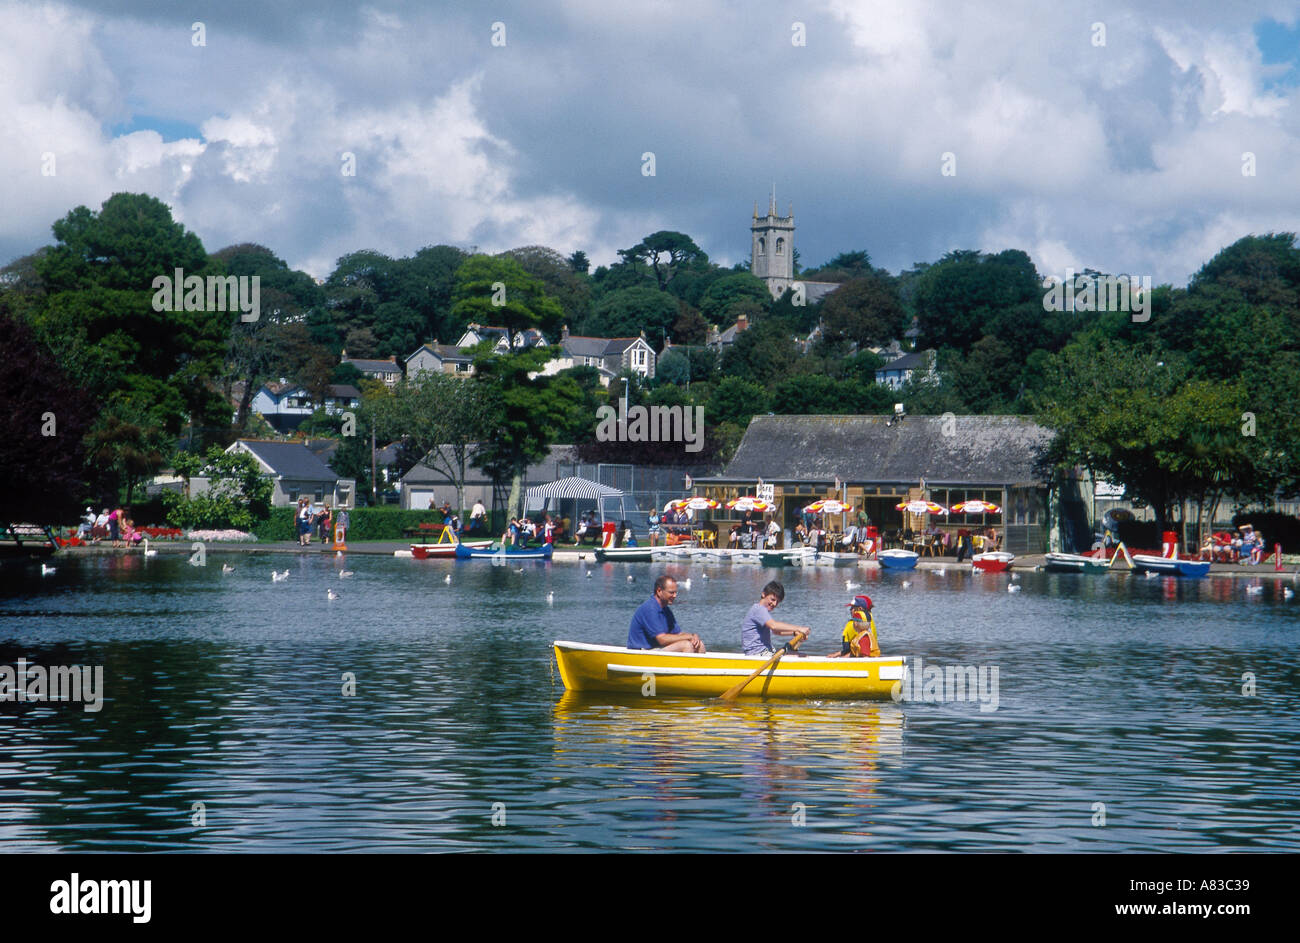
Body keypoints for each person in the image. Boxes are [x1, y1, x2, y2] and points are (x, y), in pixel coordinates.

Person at [627, 575, 705, 652]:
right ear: (659, 591)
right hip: (642, 652)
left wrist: (693, 636)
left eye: (675, 593)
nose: (674, 596)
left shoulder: (666, 610)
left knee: (699, 644)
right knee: (686, 645)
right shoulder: (650, 609)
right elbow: (662, 639)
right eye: (671, 592)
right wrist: (689, 637)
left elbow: (678, 634)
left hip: (656, 649)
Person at [741, 581, 810, 656]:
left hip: (764, 651)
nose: (774, 604)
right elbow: (774, 626)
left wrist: (794, 633)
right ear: (763, 594)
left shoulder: (761, 611)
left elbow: (776, 631)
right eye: (773, 599)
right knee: (800, 656)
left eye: (777, 602)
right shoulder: (759, 610)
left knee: (799, 654)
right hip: (756, 653)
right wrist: (799, 628)